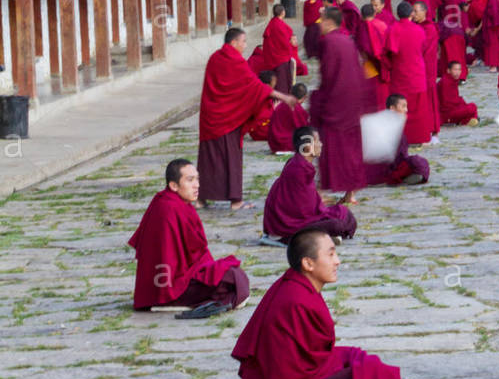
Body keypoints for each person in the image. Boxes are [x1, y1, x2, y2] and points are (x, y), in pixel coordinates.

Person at [232, 229, 416, 379]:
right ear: (308, 263)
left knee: (355, 358)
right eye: (330, 254)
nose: (337, 261)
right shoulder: (297, 300)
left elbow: (312, 356)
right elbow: (300, 372)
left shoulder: (295, 285)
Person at [129, 158, 250, 315]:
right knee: (230, 280)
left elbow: (194, 253)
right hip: (169, 288)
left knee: (233, 274)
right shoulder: (168, 209)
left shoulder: (175, 202)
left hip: (177, 278)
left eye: (197, 179)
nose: (197, 185)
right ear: (173, 185)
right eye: (190, 180)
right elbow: (168, 259)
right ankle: (167, 302)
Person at [197, 27, 294, 210]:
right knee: (231, 158)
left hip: (211, 116)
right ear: (233, 43)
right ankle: (235, 201)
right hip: (229, 119)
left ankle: (201, 199)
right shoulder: (235, 61)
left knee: (208, 159)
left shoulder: (214, 58)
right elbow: (256, 87)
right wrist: (283, 97)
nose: (245, 45)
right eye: (243, 42)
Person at [309, 7, 366, 206]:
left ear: (328, 22)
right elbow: (358, 71)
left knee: (329, 148)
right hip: (352, 103)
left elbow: (328, 74)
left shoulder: (328, 42)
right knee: (351, 149)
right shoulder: (347, 41)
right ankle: (351, 193)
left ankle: (322, 191)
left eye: (321, 21)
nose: (320, 26)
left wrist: (320, 100)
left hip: (335, 102)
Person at [261, 127, 356, 246]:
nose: (321, 144)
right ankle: (319, 236)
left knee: (343, 212)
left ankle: (323, 235)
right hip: (286, 229)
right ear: (307, 147)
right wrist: (323, 213)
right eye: (317, 141)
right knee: (337, 224)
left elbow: (308, 205)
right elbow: (301, 212)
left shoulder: (301, 164)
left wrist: (322, 209)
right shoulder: (298, 169)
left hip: (301, 219)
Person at [383, 2, 432, 146]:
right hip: (417, 72)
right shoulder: (419, 30)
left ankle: (401, 139)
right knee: (419, 108)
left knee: (399, 107)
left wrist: (391, 66)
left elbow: (386, 53)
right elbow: (423, 48)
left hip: (399, 73)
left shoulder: (392, 29)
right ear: (411, 14)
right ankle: (420, 137)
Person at [367, 94, 430, 186]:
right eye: (403, 106)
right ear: (392, 108)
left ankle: (405, 176)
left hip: (391, 165)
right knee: (417, 163)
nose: (406, 110)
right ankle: (399, 178)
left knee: (418, 162)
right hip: (385, 168)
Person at [410, 0, 441, 142]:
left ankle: (433, 130)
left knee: (430, 99)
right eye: (413, 11)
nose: (414, 14)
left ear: (424, 12)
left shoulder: (429, 28)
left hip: (427, 69)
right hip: (416, 68)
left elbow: (424, 49)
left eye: (416, 11)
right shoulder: (416, 26)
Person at [262, 3, 299, 94]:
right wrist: (291, 48)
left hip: (272, 57)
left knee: (276, 83)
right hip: (281, 59)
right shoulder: (279, 25)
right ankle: (282, 104)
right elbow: (284, 43)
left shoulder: (272, 23)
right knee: (282, 84)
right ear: (283, 12)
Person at [267, 83, 310, 154]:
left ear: (290, 93)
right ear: (305, 97)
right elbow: (303, 129)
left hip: (274, 144)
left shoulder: (280, 106)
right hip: (288, 144)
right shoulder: (298, 109)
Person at [438, 60, 479, 126]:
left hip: (453, 110)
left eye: (459, 70)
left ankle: (465, 120)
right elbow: (447, 104)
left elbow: (455, 98)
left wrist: (461, 103)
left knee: (469, 106)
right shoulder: (445, 82)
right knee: (472, 107)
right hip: (446, 114)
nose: (457, 72)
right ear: (448, 71)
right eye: (455, 69)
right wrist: (460, 105)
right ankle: (466, 120)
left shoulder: (452, 80)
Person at [249, 70, 279, 141]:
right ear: (268, 85)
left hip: (255, 131)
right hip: (261, 131)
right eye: (274, 82)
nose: (275, 84)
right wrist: (275, 110)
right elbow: (263, 116)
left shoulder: (257, 93)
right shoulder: (265, 95)